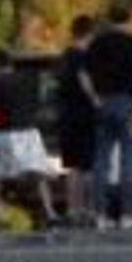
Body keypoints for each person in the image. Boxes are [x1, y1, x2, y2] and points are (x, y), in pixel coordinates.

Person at [81, 6, 132, 228]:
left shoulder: (97, 43)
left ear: (109, 20)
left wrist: (94, 98)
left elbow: (83, 73)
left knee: (101, 159)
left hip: (103, 103)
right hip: (127, 101)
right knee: (129, 158)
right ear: (129, 19)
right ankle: (128, 213)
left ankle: (100, 213)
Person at [0, 48, 59, 227]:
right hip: (29, 132)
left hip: (6, 133)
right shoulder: (30, 79)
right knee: (38, 173)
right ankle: (50, 211)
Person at [54, 15, 97, 225]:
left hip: (66, 115)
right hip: (84, 115)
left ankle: (72, 209)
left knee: (73, 166)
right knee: (88, 164)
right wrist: (96, 100)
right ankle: (88, 208)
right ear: (90, 33)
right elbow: (85, 80)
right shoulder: (82, 56)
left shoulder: (64, 56)